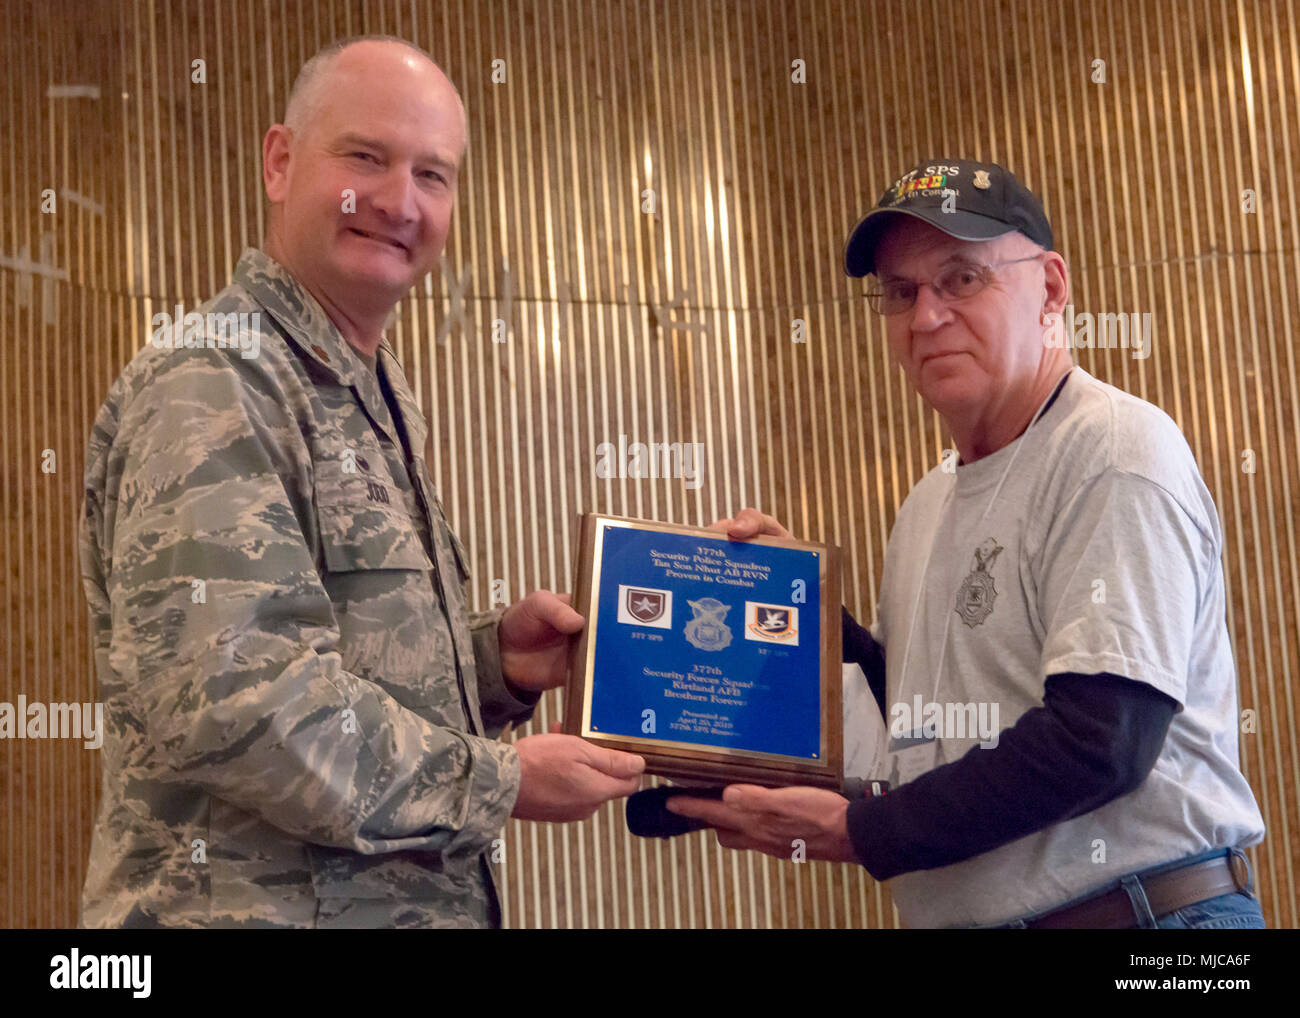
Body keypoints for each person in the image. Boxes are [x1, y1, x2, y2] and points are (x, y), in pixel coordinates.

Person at [77, 35, 643, 929]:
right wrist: (496, 779)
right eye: (365, 158)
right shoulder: (216, 380)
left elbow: (341, 653)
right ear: (281, 162)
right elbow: (238, 702)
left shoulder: (365, 388)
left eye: (433, 175)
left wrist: (493, 664)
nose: (397, 202)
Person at [669, 159, 1267, 929]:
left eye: (961, 279)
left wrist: (859, 833)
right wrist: (809, 613)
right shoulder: (928, 501)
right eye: (900, 292)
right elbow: (921, 726)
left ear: (1050, 290)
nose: (925, 318)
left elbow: (1100, 740)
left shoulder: (1114, 450)